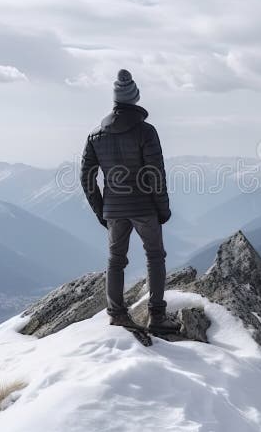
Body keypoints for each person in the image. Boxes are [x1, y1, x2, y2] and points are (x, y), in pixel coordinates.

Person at [80, 69, 180, 334]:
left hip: (114, 208)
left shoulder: (95, 136)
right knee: (155, 257)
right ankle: (157, 317)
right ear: (134, 99)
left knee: (115, 260)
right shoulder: (146, 132)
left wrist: (101, 210)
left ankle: (117, 315)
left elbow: (86, 177)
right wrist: (163, 208)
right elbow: (155, 174)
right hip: (145, 207)